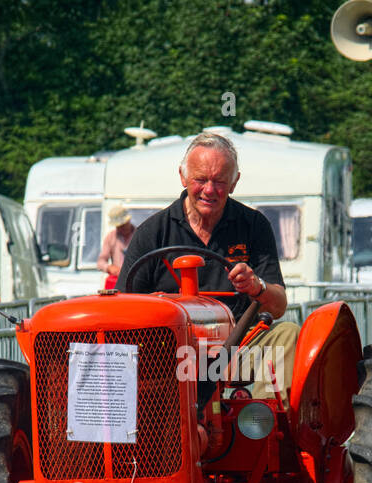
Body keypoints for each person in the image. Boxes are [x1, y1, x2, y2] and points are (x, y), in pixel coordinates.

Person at [117, 132, 298, 399]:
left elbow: (279, 306)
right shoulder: (152, 232)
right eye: (200, 180)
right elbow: (124, 308)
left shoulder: (253, 225)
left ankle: (262, 429)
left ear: (235, 182)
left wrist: (256, 286)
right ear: (183, 177)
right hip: (171, 352)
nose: (209, 190)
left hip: (238, 345)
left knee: (287, 334)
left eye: (219, 181)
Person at [97, 204, 135, 290]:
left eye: (123, 225)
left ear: (128, 221)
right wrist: (109, 267)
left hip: (135, 280)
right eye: (119, 226)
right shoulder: (110, 237)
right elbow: (100, 262)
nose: (121, 229)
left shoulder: (138, 235)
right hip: (117, 282)